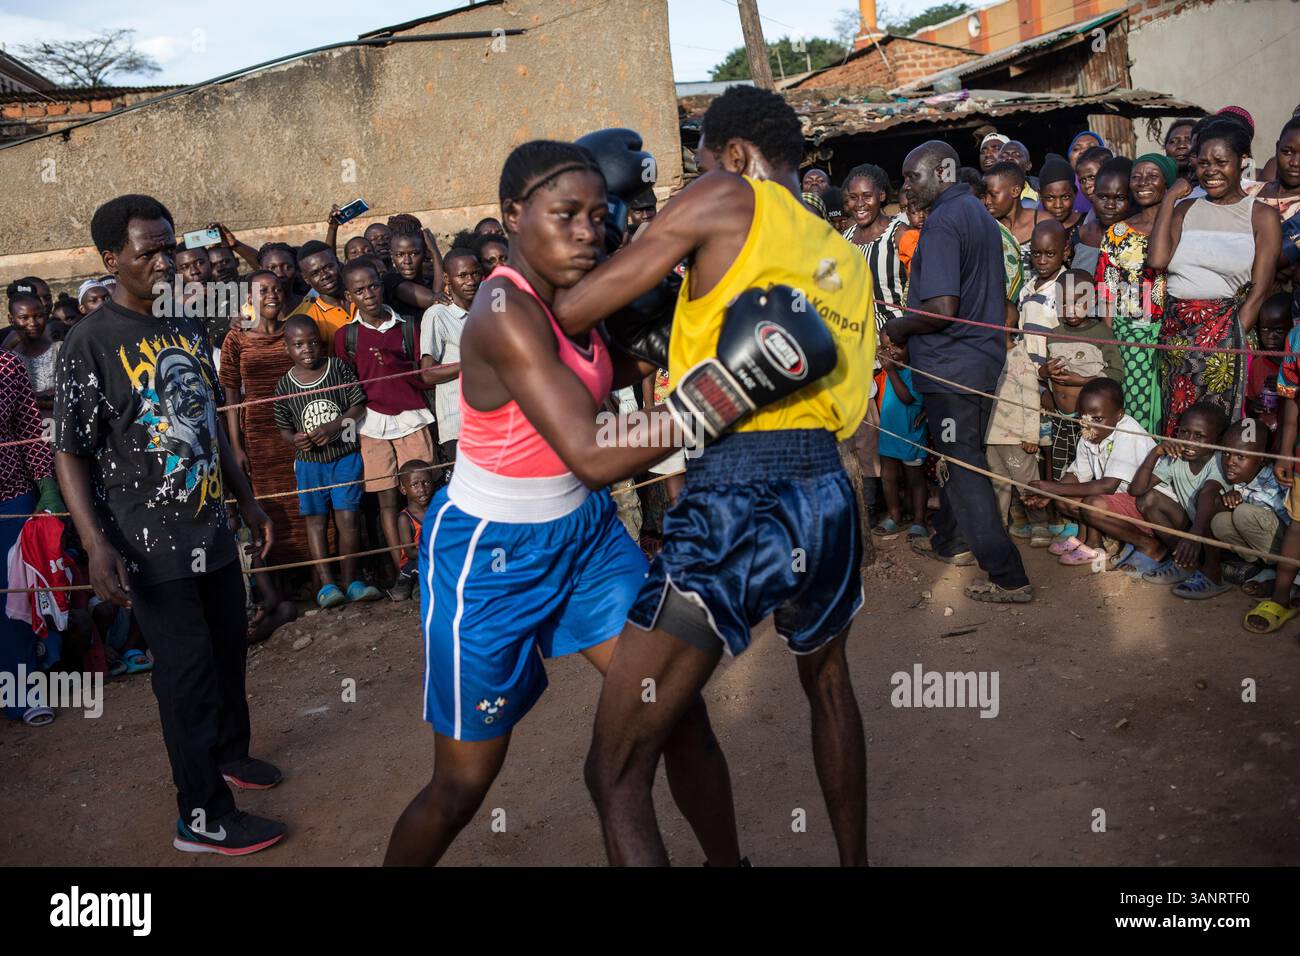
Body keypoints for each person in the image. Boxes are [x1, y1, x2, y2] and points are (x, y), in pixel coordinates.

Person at [384, 140, 743, 868]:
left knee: (675, 714)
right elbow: (590, 447)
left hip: (584, 539)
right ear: (513, 216)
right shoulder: (503, 310)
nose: (588, 231)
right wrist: (733, 385)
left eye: (597, 215)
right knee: (462, 785)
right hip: (489, 558)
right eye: (566, 215)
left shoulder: (583, 289)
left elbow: (621, 377)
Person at [552, 87, 875, 865]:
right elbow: (841, 397)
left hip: (738, 488)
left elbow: (573, 310)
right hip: (827, 489)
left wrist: (611, 235)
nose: (691, 183)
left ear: (734, 156)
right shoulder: (844, 256)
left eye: (698, 164)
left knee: (615, 766)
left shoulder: (726, 194)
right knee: (829, 681)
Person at [55, 194, 284, 856]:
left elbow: (210, 419)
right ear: (111, 259)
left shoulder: (183, 322)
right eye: (148, 250)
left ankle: (229, 754)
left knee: (228, 646)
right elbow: (69, 449)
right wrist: (96, 544)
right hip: (145, 541)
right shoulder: (89, 343)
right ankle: (202, 815)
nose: (166, 260)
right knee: (184, 671)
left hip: (207, 523)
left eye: (169, 245)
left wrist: (247, 500)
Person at [884, 140, 1032, 604]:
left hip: (953, 366)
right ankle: (952, 540)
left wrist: (899, 326)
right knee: (957, 457)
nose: (906, 187)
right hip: (977, 361)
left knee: (963, 466)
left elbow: (944, 308)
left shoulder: (946, 221)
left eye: (913, 177)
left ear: (942, 172)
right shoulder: (975, 212)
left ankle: (1008, 576)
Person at [1150, 119, 1282, 435]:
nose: (1211, 170)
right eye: (1204, 162)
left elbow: (1260, 289)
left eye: (1221, 162)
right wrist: (1170, 199)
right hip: (1176, 333)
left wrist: (1228, 337)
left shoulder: (1261, 215)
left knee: (1216, 423)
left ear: (1242, 161)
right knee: (1178, 422)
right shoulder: (1186, 208)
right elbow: (1157, 259)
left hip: (1227, 333)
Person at [335, 258, 436, 596]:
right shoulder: (345, 336)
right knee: (387, 502)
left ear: (382, 284)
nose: (369, 294)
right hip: (370, 425)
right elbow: (347, 386)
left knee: (426, 494)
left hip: (412, 417)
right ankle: (404, 570)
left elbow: (423, 374)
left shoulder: (407, 326)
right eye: (359, 290)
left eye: (374, 286)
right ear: (349, 296)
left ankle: (436, 565)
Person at [218, 270, 307, 638]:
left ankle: (311, 582)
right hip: (256, 433)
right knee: (270, 508)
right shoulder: (237, 336)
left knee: (304, 504)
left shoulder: (296, 331)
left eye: (275, 288)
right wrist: (236, 448)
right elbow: (229, 393)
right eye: (262, 290)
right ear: (249, 297)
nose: (271, 294)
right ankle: (278, 592)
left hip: (296, 429)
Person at [272, 314, 377, 608]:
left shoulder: (338, 368)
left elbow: (358, 404)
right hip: (310, 464)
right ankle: (327, 585)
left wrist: (334, 427)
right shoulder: (283, 386)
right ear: (287, 348)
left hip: (344, 456)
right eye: (299, 345)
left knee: (348, 518)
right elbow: (283, 427)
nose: (307, 350)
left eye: (313, 343)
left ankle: (352, 580)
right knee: (316, 522)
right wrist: (295, 439)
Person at [1024, 378, 1157, 570]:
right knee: (1063, 498)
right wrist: (1050, 493)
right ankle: (1085, 538)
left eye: (1097, 418)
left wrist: (1052, 487)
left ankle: (1118, 544)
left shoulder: (1128, 432)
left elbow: (1108, 485)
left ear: (1119, 415)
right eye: (1083, 416)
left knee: (1092, 502)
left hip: (1147, 506)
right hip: (1117, 500)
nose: (1088, 424)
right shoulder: (1091, 433)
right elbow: (1078, 474)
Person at [0, 352, 65, 726]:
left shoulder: (8, 366)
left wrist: (47, 487)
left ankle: (23, 693)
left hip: (12, 500)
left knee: (16, 599)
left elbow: (29, 430)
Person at [1094, 153, 1174, 435]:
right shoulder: (1117, 233)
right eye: (1136, 177)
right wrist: (1110, 341)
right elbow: (1107, 290)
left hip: (1172, 333)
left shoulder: (1180, 226)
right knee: (1134, 415)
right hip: (1128, 336)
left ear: (1168, 183)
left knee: (1171, 412)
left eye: (1152, 176)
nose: (1143, 183)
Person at [1120, 403, 1229, 591]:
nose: (1188, 441)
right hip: (1192, 530)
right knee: (1148, 499)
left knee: (1211, 502)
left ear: (1217, 441)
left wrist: (1195, 535)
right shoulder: (1175, 458)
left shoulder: (1219, 461)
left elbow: (1208, 493)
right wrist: (1156, 453)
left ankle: (1213, 572)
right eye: (1184, 432)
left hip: (1214, 534)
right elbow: (1136, 490)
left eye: (1199, 436)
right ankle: (1184, 562)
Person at [1198, 420, 1289, 601]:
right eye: (1226, 453)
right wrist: (1231, 495)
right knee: (1219, 522)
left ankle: (1286, 578)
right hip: (1268, 548)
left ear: (1262, 458)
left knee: (1243, 513)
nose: (1230, 462)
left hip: (1290, 547)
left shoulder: (1276, 481)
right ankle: (1263, 569)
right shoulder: (1239, 479)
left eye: (1241, 457)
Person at [419, 246, 482, 475]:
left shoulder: (489, 310)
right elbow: (427, 373)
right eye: (462, 275)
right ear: (447, 278)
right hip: (459, 423)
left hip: (494, 417)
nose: (470, 281)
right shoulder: (438, 315)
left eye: (475, 273)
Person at [872, 332, 927, 541]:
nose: (892, 351)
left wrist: (891, 371)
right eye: (887, 348)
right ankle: (895, 515)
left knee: (915, 479)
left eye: (897, 346)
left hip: (910, 434)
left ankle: (919, 521)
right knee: (888, 476)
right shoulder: (885, 371)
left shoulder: (915, 371)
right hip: (889, 432)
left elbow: (906, 398)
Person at [842, 164, 906, 333]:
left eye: (867, 196)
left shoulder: (899, 233)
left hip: (893, 340)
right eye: (853, 197)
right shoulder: (844, 238)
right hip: (856, 338)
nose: (860, 204)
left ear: (882, 195)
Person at [1075, 156, 1132, 284]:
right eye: (1103, 197)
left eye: (1120, 198)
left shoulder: (1139, 240)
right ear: (1093, 194)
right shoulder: (1081, 234)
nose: (1110, 205)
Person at [1244, 294, 1291, 446]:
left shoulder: (1294, 365)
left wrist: (1284, 386)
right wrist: (1254, 407)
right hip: (1262, 436)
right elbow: (1249, 404)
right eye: (1264, 329)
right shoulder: (1257, 364)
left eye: (1278, 330)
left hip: (1288, 438)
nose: (1270, 336)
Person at [6, 291, 60, 412]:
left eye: (39, 316)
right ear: (11, 319)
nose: (33, 323)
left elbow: (68, 389)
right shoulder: (8, 356)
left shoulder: (59, 349)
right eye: (24, 318)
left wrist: (25, 398)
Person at [392, 458, 434, 601]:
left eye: (426, 482)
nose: (422, 489)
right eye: (414, 485)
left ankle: (422, 585)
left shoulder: (438, 511)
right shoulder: (405, 518)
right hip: (416, 560)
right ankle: (412, 583)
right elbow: (409, 552)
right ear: (404, 489)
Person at [983, 161, 1037, 266]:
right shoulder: (987, 227)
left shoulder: (1042, 223)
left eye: (993, 195)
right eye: (985, 195)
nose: (987, 201)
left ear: (1015, 191)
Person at [1036, 158, 1084, 263]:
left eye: (1065, 197)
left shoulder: (1087, 224)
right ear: (1040, 195)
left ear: (1075, 194)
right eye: (1050, 198)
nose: (1058, 205)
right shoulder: (1034, 226)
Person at [998, 140, 1039, 205]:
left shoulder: (1040, 192)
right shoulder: (987, 193)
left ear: (1028, 165)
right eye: (1003, 156)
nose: (1009, 157)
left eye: (1017, 155)